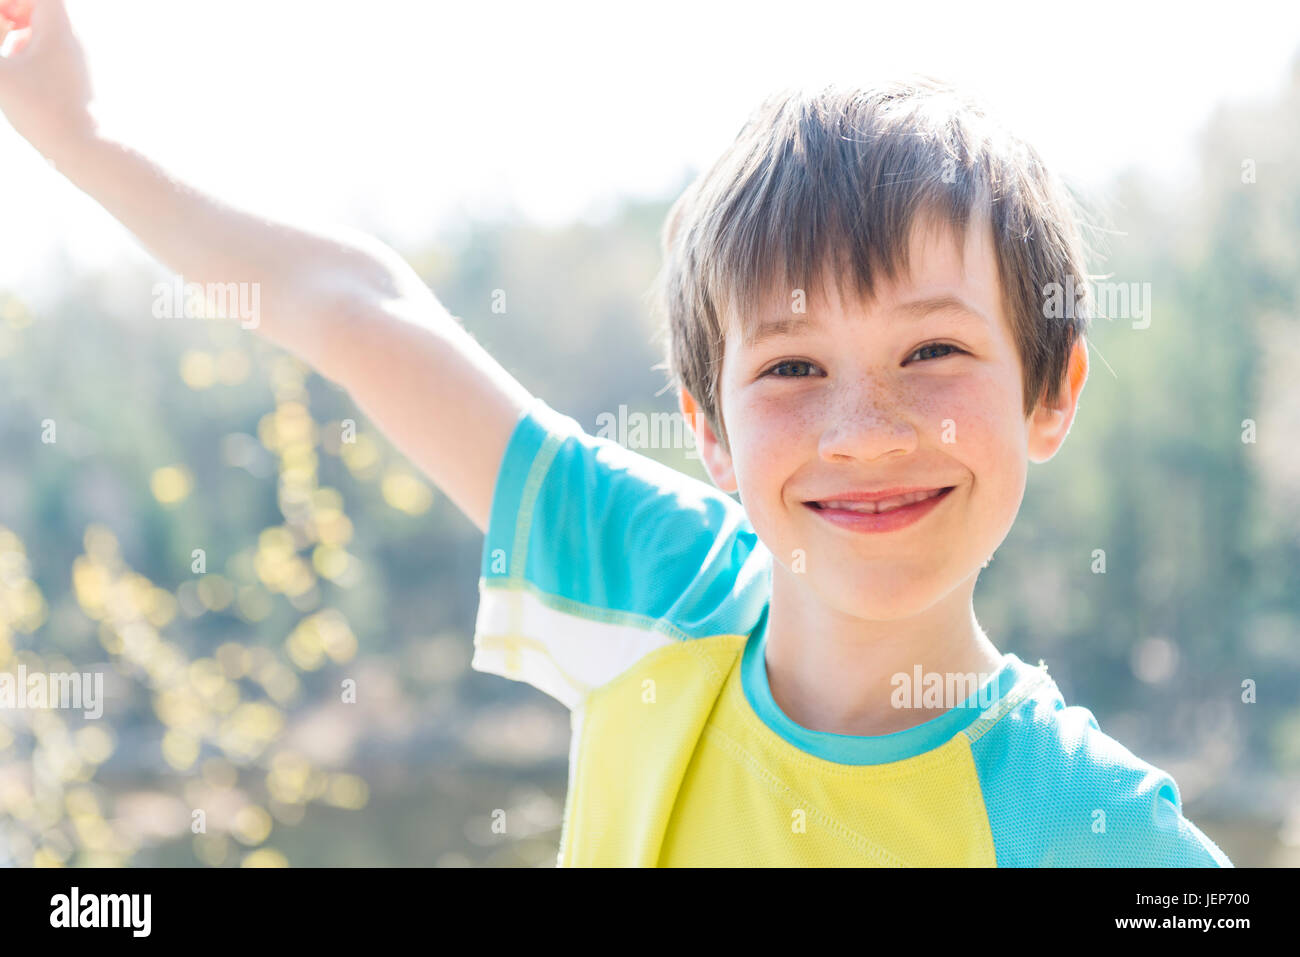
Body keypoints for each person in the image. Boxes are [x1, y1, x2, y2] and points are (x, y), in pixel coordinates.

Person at [0, 0, 1232, 866]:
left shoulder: (1091, 829)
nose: (863, 431)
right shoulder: (657, 587)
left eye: (932, 352)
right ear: (706, 430)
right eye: (792, 367)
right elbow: (356, 311)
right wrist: (81, 135)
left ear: (1052, 390)